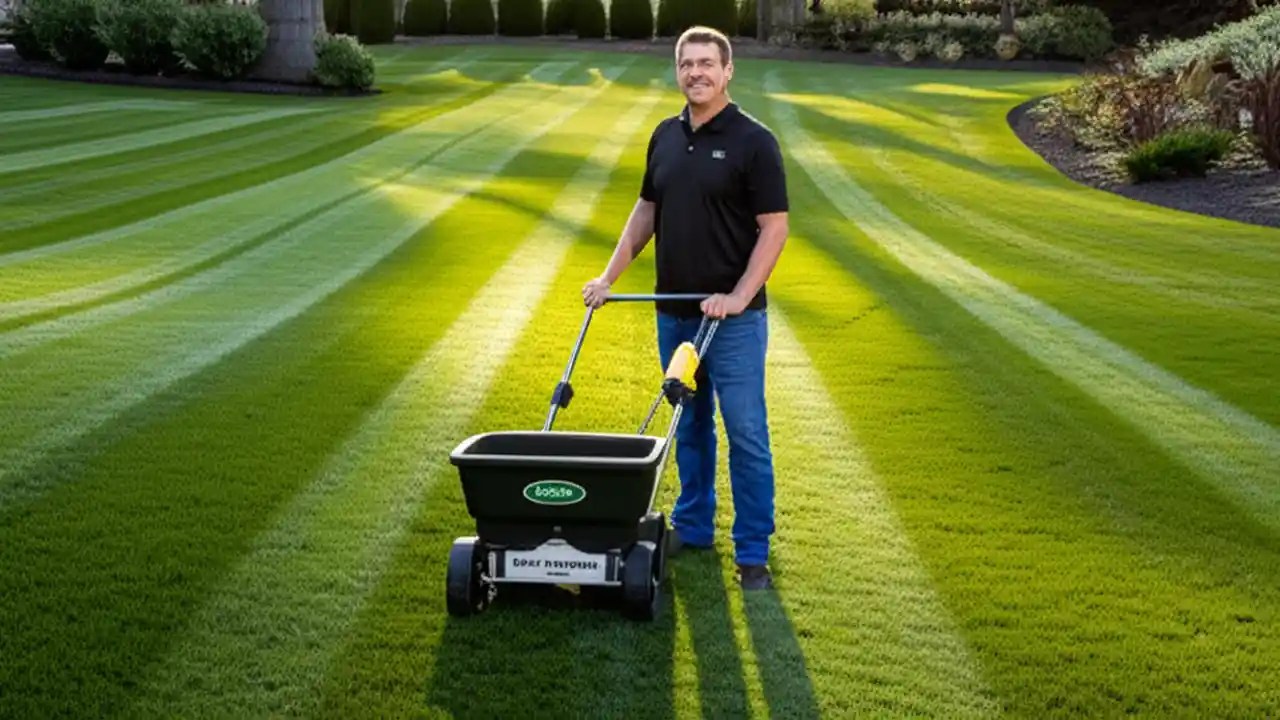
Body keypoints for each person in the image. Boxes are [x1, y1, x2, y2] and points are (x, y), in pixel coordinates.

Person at [581, 26, 789, 590]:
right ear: (678, 71)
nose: (696, 72)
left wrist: (740, 296)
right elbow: (646, 210)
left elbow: (774, 229)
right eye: (687, 64)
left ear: (727, 72)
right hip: (673, 312)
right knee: (688, 424)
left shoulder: (754, 142)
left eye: (707, 63)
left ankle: (752, 553)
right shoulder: (664, 137)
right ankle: (695, 527)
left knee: (745, 431)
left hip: (735, 323)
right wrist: (607, 276)